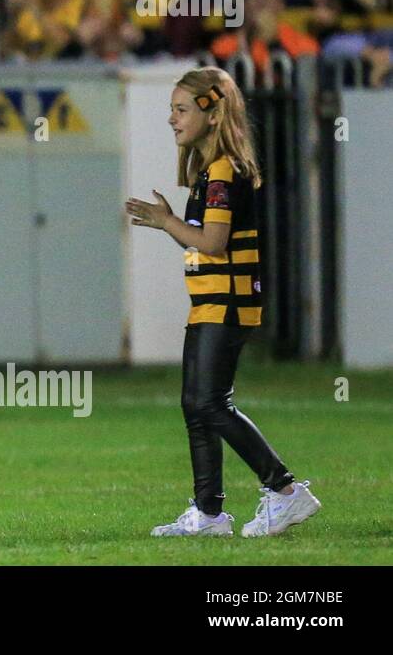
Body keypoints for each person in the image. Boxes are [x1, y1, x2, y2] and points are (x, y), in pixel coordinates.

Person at [126, 67, 321, 538]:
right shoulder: (208, 170)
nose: (172, 119)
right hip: (211, 302)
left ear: (212, 114)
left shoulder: (222, 170)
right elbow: (204, 243)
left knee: (210, 404)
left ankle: (285, 490)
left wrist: (166, 222)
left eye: (181, 109)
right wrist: (172, 223)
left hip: (228, 303)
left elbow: (212, 242)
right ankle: (209, 514)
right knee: (197, 405)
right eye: (171, 109)